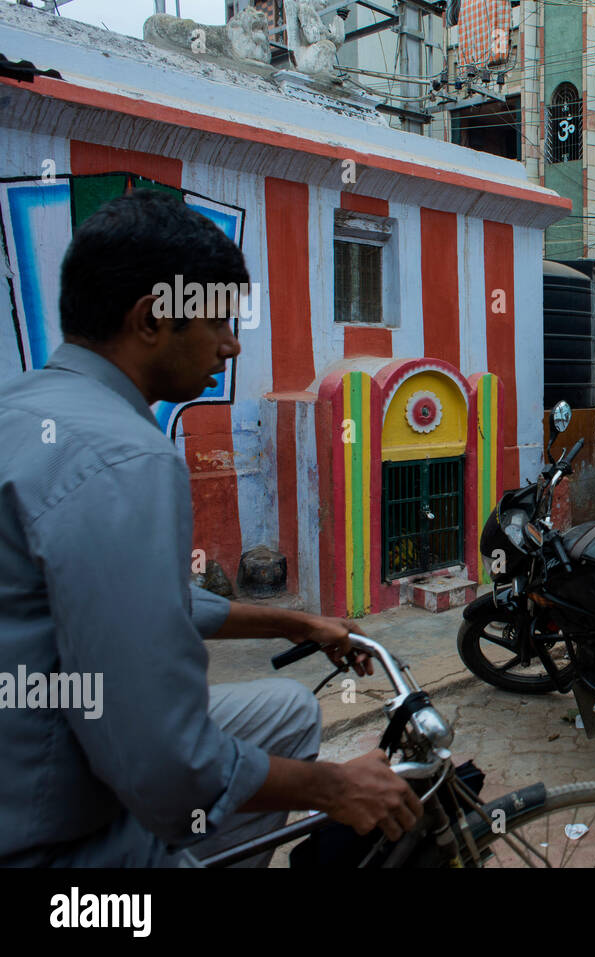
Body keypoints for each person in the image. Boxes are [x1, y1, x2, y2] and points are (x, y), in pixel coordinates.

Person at [0, 191, 421, 866]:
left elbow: (144, 602)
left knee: (286, 710)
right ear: (149, 320)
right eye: (219, 321)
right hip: (51, 836)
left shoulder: (25, 404)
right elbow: (168, 765)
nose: (230, 343)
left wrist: (291, 623)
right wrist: (334, 785)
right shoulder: (127, 457)